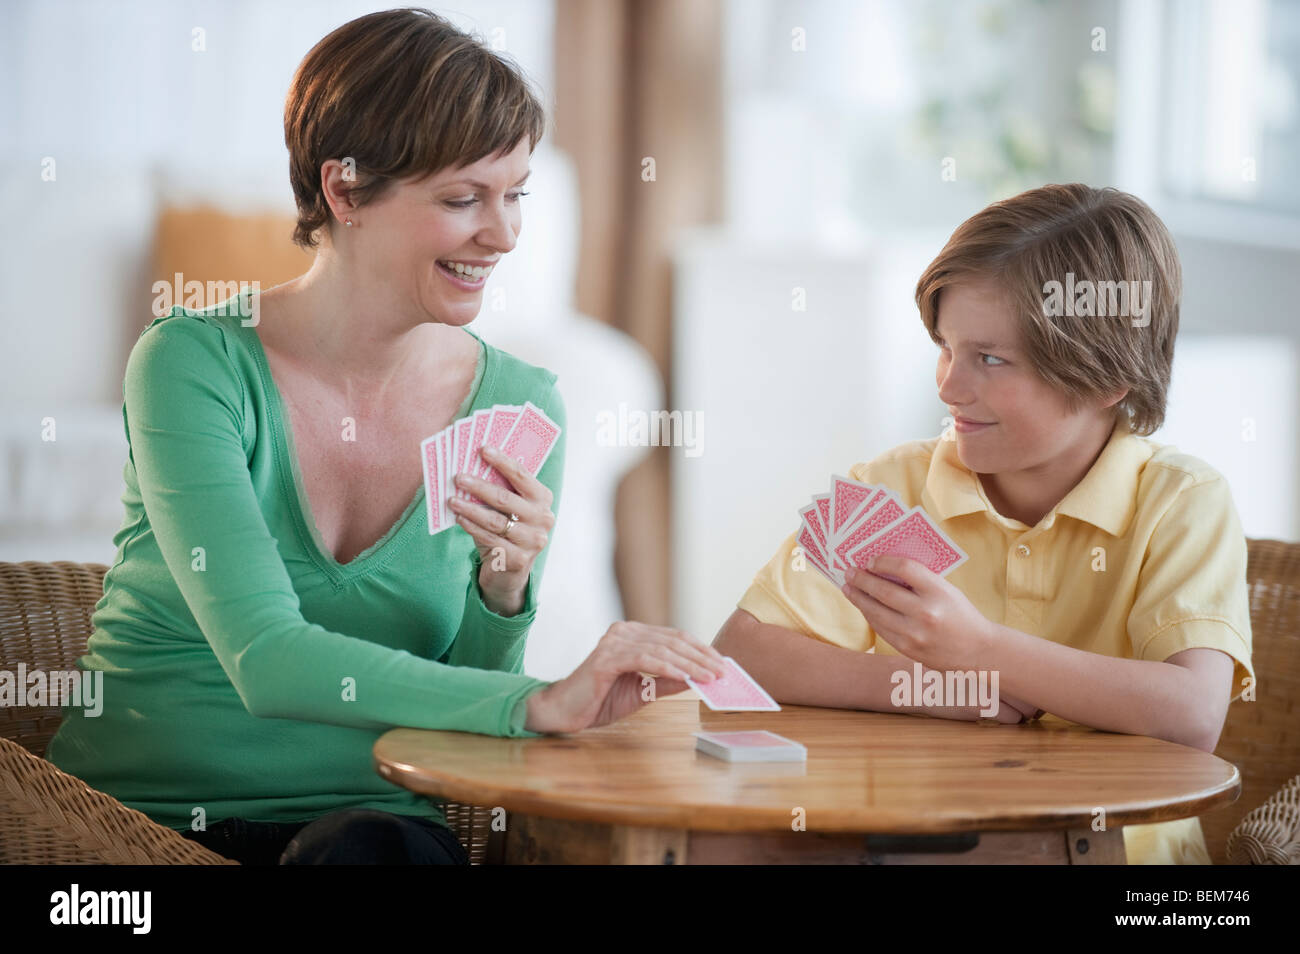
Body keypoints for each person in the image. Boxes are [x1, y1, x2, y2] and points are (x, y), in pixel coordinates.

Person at [46, 7, 724, 866]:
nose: (503, 235)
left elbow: (470, 705)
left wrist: (502, 591)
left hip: (375, 835)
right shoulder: (192, 363)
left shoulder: (522, 405)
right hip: (146, 830)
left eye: (515, 194)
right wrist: (539, 700)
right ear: (344, 191)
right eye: (463, 199)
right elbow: (267, 659)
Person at [714, 183, 1255, 865]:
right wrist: (937, 689)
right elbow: (740, 652)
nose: (947, 385)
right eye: (946, 347)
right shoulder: (887, 485)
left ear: (1105, 378)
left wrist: (979, 650)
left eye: (990, 359)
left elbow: (1193, 716)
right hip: (917, 848)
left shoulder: (1183, 502)